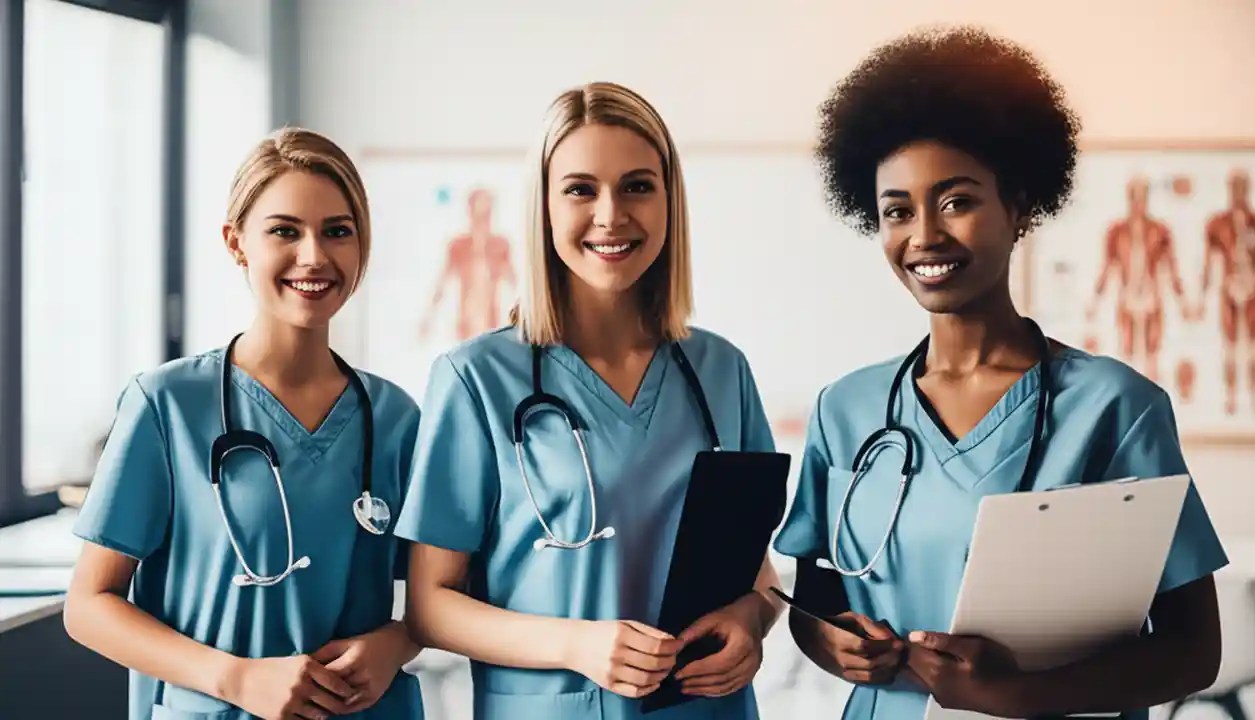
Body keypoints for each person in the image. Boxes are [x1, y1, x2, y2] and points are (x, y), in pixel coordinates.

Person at [773, 27, 1227, 719]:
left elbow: (1194, 649)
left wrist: (1018, 696)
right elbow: (815, 595)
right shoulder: (847, 409)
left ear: (1017, 206)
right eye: (897, 211)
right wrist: (833, 642)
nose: (924, 234)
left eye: (956, 201)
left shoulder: (1114, 406)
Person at [394, 81, 783, 720]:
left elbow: (756, 572)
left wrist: (751, 621)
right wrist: (575, 643)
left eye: (637, 186)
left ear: (668, 201)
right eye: (580, 189)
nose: (610, 214)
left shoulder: (720, 370)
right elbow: (431, 606)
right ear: (543, 206)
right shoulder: (477, 379)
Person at [64, 128, 425, 720]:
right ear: (237, 243)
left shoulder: (394, 418)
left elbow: (443, 598)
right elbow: (89, 605)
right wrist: (233, 678)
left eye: (338, 230)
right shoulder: (168, 406)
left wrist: (395, 643)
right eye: (285, 230)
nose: (314, 255)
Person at [1084, 176, 1194, 383]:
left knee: (1152, 355)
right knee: (1127, 352)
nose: (1138, 203)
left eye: (1142, 197)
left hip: (1152, 294)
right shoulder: (1116, 232)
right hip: (1127, 296)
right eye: (1134, 197)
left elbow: (1171, 270)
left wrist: (1183, 303)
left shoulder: (1160, 231)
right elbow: (1107, 269)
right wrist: (1095, 303)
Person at [1197, 169, 1255, 415]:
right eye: (1235, 187)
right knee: (1230, 347)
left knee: (1253, 346)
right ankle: (1231, 397)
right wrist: (1201, 298)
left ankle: (1254, 396)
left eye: (1243, 187)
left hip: (1252, 286)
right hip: (1229, 287)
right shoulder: (1217, 224)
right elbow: (1209, 264)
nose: (1239, 192)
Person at [418, 187, 518, 343]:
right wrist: (428, 318)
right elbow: (442, 285)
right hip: (465, 325)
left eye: (486, 214)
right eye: (479, 216)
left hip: (491, 324)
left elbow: (514, 285)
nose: (483, 221)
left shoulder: (499, 246)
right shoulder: (459, 246)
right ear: (470, 213)